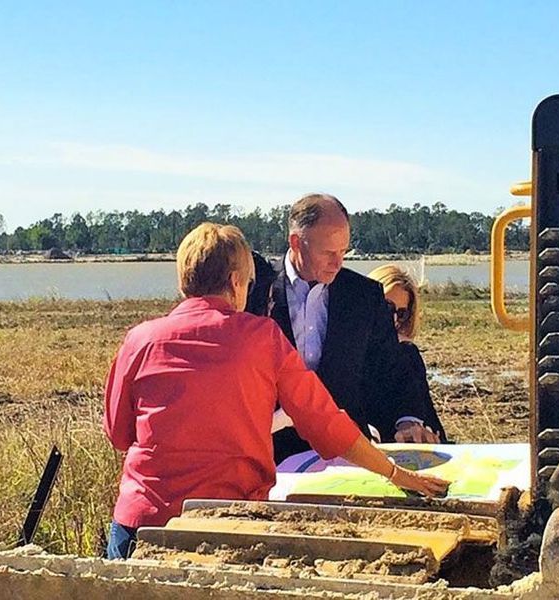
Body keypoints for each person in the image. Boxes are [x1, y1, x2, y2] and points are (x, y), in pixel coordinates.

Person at [104, 222, 449, 559]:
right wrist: (395, 473)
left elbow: (119, 434)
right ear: (236, 282)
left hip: (140, 522)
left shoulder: (139, 339)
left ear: (183, 282)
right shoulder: (263, 337)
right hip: (224, 522)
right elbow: (326, 423)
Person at [248, 194, 439, 464]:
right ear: (296, 242)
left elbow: (390, 371)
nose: (337, 263)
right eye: (328, 252)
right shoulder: (254, 290)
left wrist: (406, 420)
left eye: (343, 252)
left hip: (345, 456)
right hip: (267, 456)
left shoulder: (365, 295)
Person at [369, 265, 447, 443]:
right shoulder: (341, 347)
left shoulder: (405, 353)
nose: (393, 318)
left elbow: (413, 398)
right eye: (387, 307)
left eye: (401, 313)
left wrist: (409, 423)